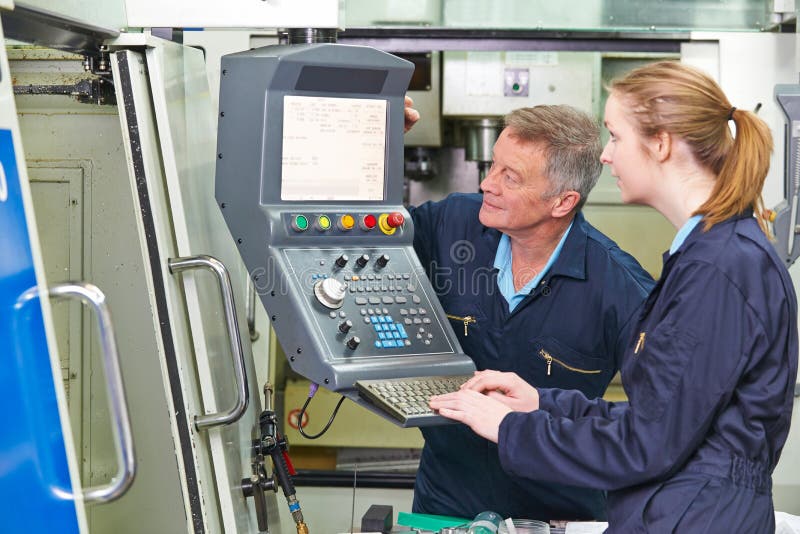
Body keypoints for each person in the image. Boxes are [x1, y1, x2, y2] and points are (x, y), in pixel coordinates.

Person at [429, 61, 799, 532]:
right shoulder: (711, 254)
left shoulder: (717, 268)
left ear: (660, 144)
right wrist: (543, 404)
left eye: (616, 137)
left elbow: (648, 442)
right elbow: (666, 417)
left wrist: (508, 428)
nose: (605, 157)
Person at [407, 104, 655, 521]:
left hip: (558, 516)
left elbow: (660, 420)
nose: (487, 184)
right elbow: (357, 237)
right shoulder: (451, 223)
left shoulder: (621, 290)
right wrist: (379, 139)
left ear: (563, 201)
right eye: (492, 167)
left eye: (511, 177)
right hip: (444, 508)